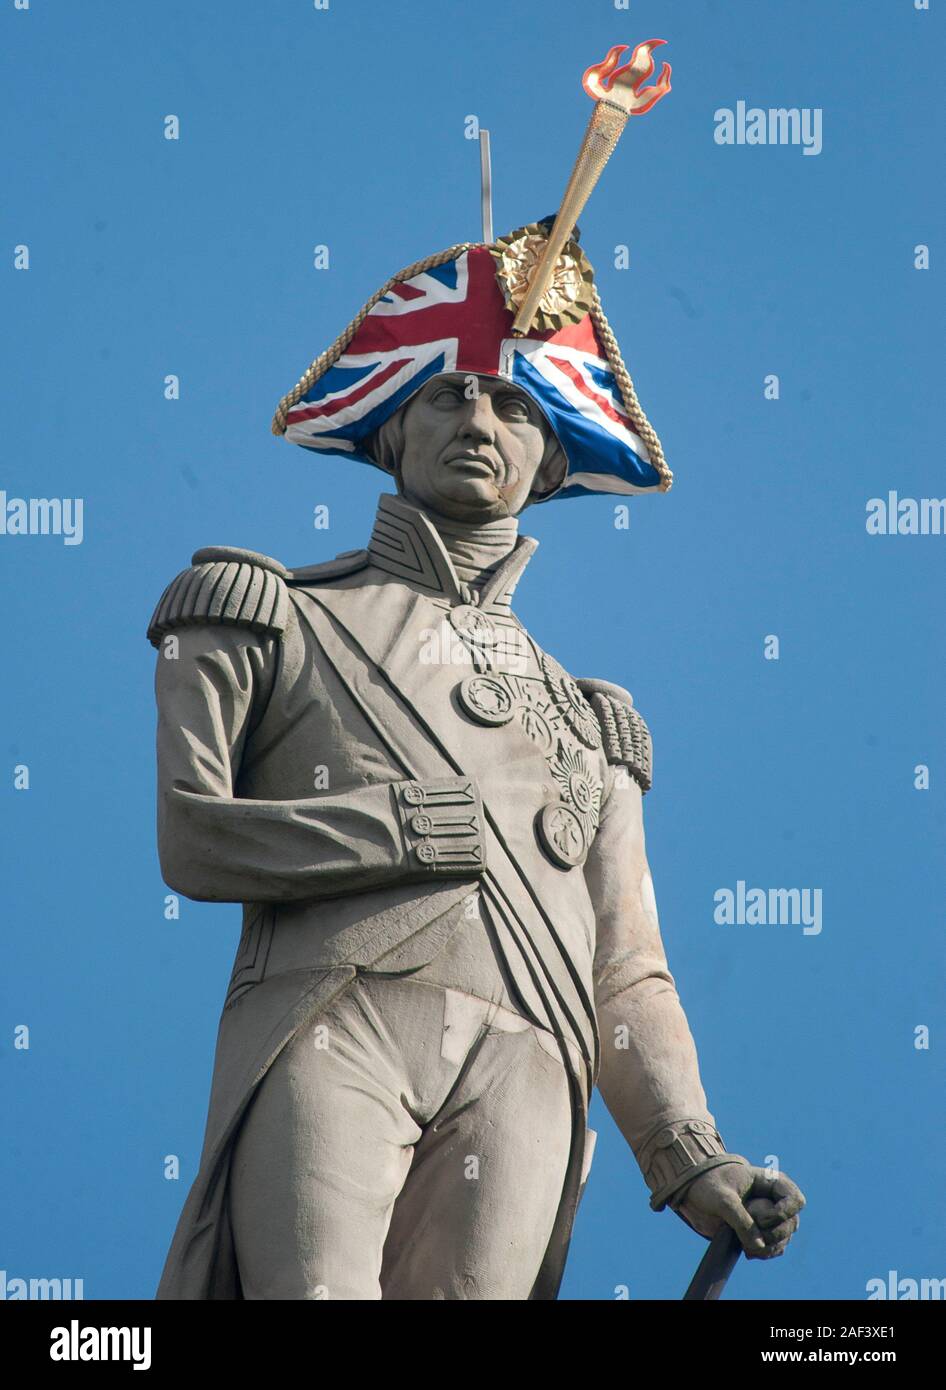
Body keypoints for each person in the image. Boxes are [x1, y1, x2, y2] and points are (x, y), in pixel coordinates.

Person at [148, 231, 803, 1300]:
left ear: (551, 463)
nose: (476, 423)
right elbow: (192, 836)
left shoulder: (595, 725)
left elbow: (626, 971)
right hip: (336, 1016)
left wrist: (689, 1151)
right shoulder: (268, 612)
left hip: (532, 1065)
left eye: (514, 410)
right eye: (446, 396)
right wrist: (394, 830)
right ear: (391, 428)